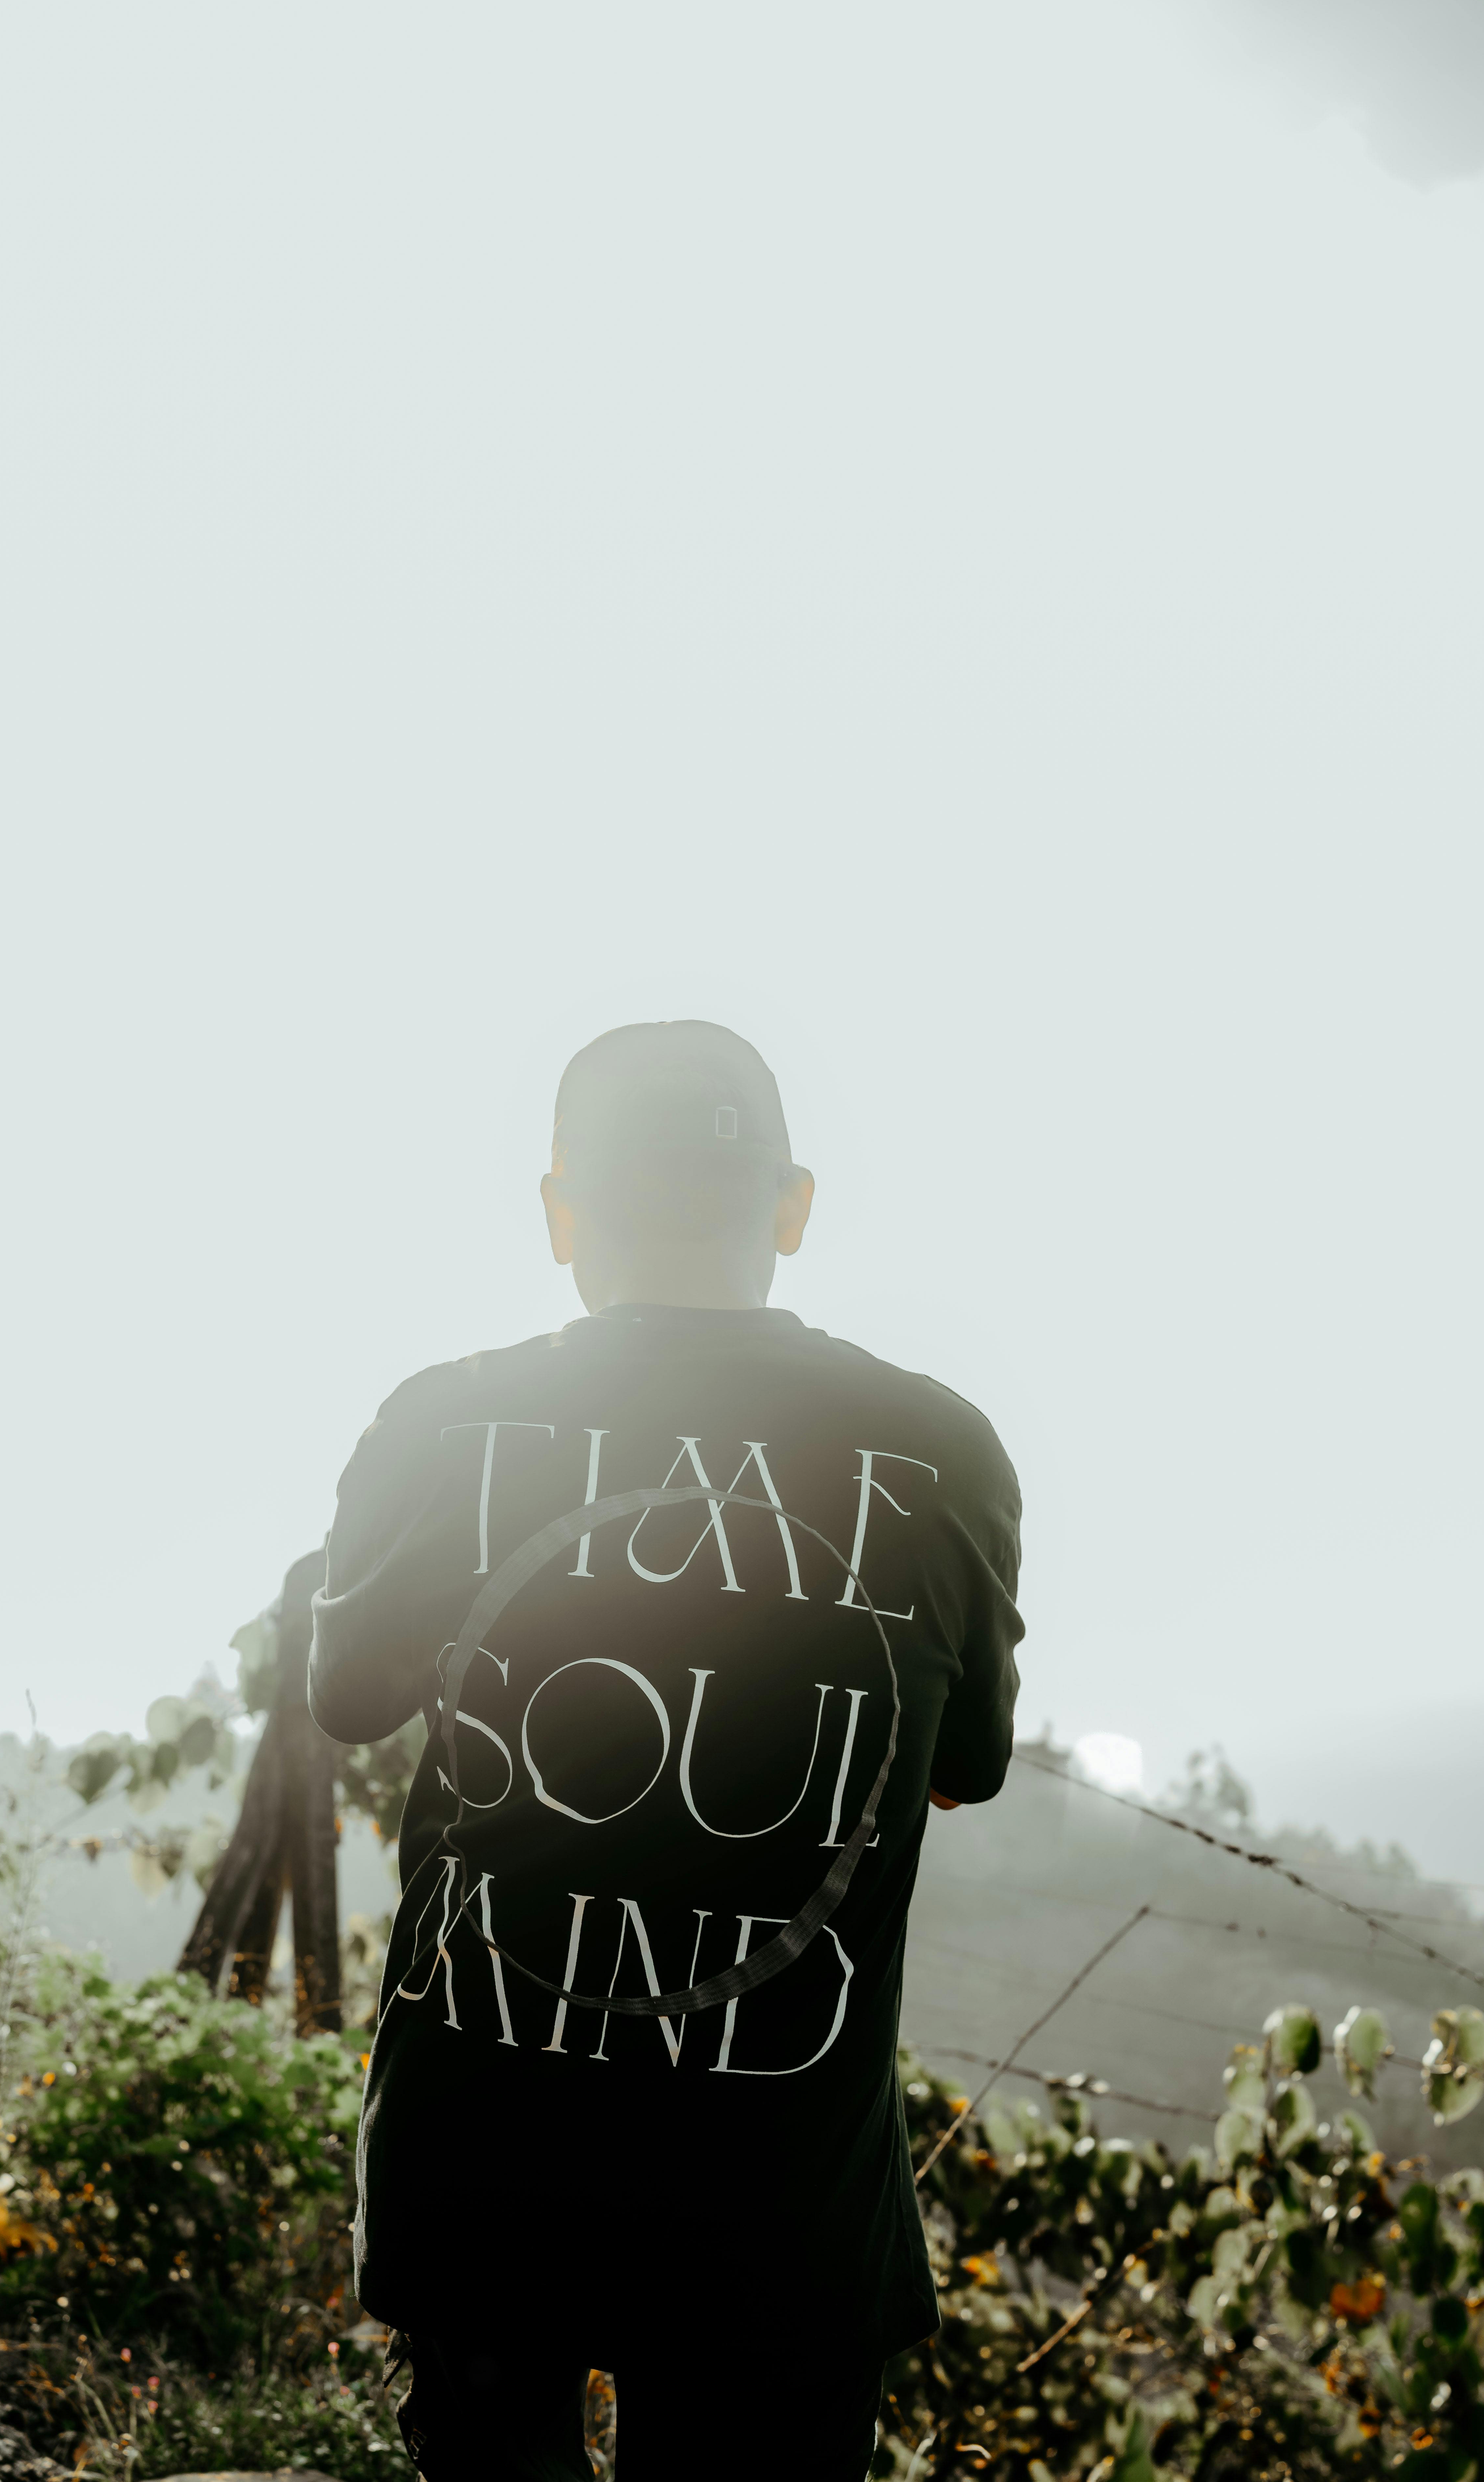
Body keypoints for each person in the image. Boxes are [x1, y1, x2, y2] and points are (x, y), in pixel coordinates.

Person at [309, 1019, 1023, 2481]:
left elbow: (351, 1695)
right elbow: (958, 1764)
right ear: (794, 1204)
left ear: (562, 1210)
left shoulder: (443, 1422)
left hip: (483, 2156)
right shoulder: (941, 1447)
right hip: (784, 2194)